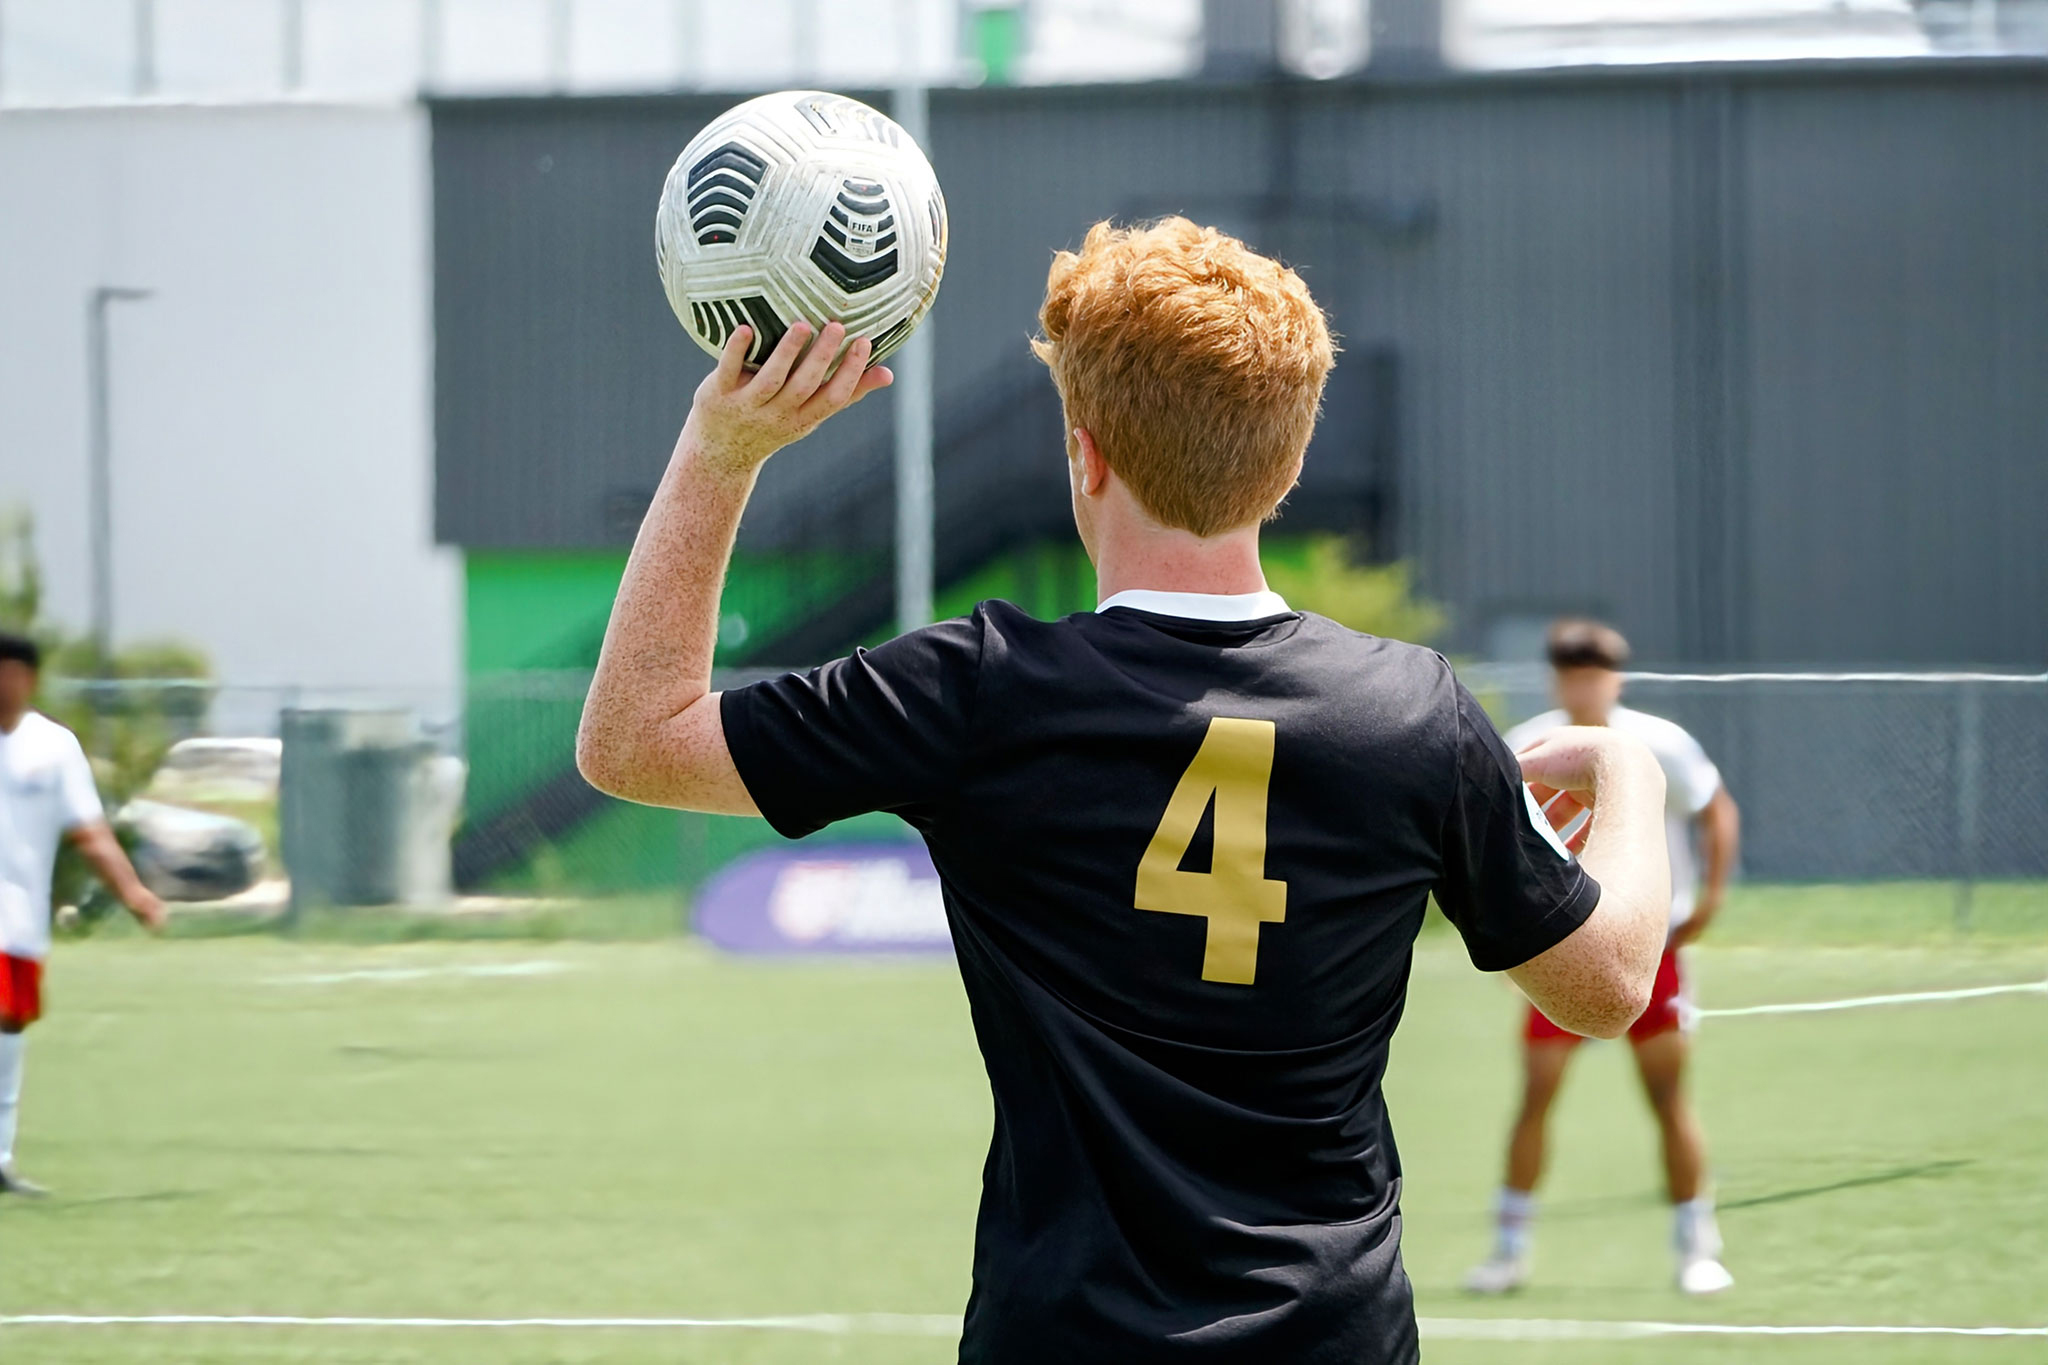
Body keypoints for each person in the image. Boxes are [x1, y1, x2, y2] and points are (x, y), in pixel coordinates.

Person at [578, 218, 1672, 1364]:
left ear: (1082, 455)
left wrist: (721, 448)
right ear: (1289, 464)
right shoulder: (1410, 713)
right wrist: (1625, 768)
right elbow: (1604, 986)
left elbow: (632, 743)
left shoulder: (978, 693)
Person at [1464, 618, 1742, 1297]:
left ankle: (1695, 1244)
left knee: (1668, 1093)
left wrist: (1708, 896)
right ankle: (1508, 1249)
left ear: (1616, 675)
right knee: (1536, 1094)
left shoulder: (1657, 743)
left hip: (1652, 947)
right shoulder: (1530, 743)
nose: (1584, 681)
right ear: (1557, 676)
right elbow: (1490, 839)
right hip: (1558, 941)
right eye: (1571, 669)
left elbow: (1715, 808)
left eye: (1597, 669)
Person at [0, 631, 166, 1197]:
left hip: (21, 922)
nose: (7, 685)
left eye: (15, 673)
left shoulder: (53, 746)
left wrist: (134, 893)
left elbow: (90, 834)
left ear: (31, 679)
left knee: (9, 1030)